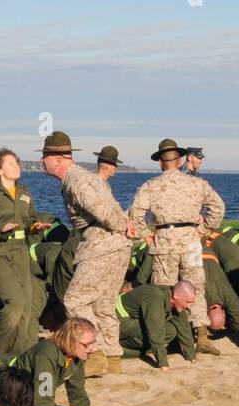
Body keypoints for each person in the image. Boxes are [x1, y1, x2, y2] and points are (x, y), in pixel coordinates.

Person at [42, 132, 135, 374]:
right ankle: (114, 358)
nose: (42, 161)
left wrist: (122, 225)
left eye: (45, 155)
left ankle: (96, 353)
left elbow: (101, 209)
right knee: (104, 305)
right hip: (117, 245)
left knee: (75, 300)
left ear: (58, 159)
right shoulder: (86, 178)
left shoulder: (76, 180)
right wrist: (125, 228)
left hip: (101, 243)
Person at [129, 138, 226, 355]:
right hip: (190, 240)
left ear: (160, 162)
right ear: (180, 159)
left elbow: (135, 214)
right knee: (196, 287)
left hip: (164, 240)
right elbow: (218, 207)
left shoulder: (151, 186)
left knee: (165, 290)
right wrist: (203, 230)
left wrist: (146, 235)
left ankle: (168, 335)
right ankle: (201, 336)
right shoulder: (197, 183)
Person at [0, 147, 47, 357]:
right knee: (14, 304)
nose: (17, 167)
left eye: (18, 163)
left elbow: (30, 219)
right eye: (11, 164)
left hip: (20, 253)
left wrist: (35, 227)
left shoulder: (24, 193)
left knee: (27, 309)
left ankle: (22, 356)